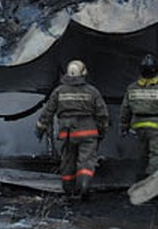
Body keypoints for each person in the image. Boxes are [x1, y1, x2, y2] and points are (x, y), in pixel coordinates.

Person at [36, 59, 109, 199]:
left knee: (67, 161)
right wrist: (102, 131)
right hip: (88, 133)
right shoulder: (92, 91)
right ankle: (83, 188)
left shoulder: (59, 91)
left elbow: (48, 112)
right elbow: (102, 114)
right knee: (86, 161)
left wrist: (40, 128)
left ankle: (69, 191)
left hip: (67, 132)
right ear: (83, 73)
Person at [119, 54, 158, 178]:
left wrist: (124, 127)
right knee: (157, 155)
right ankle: (151, 184)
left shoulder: (132, 88)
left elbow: (125, 109)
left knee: (141, 156)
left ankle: (139, 182)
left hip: (138, 127)